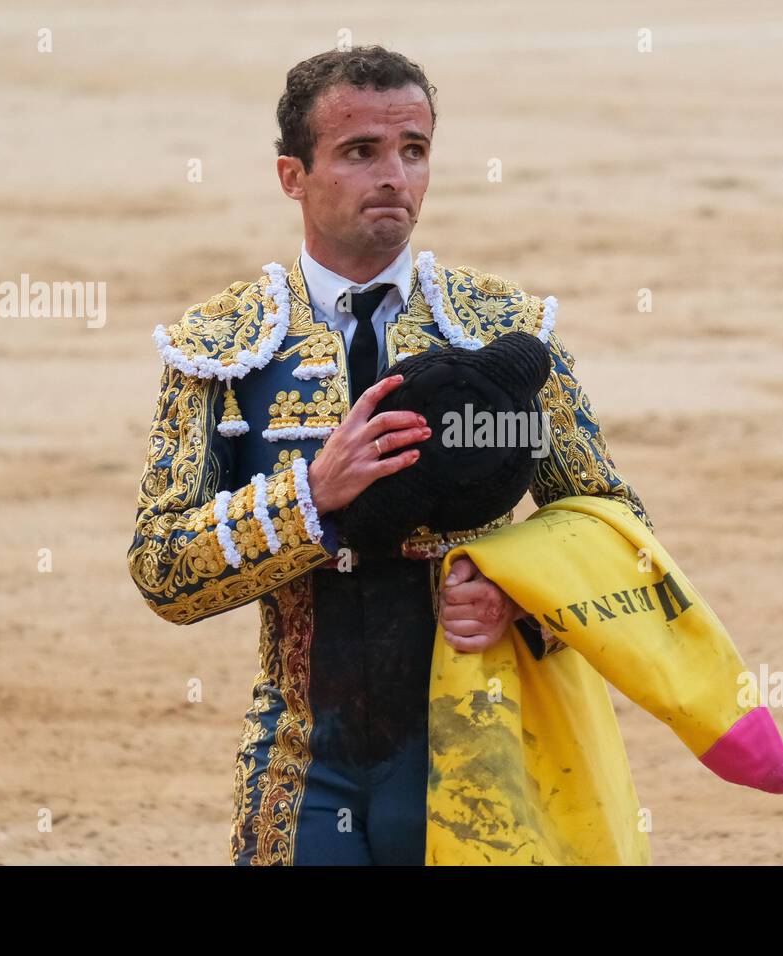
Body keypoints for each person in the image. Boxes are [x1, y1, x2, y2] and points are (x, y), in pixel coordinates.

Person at [126, 44, 651, 865]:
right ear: (291, 176)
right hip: (302, 757)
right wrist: (311, 497)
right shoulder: (222, 350)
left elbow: (617, 528)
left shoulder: (499, 332)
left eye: (413, 151)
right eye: (360, 152)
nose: (394, 177)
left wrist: (516, 594)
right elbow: (162, 571)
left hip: (472, 739)